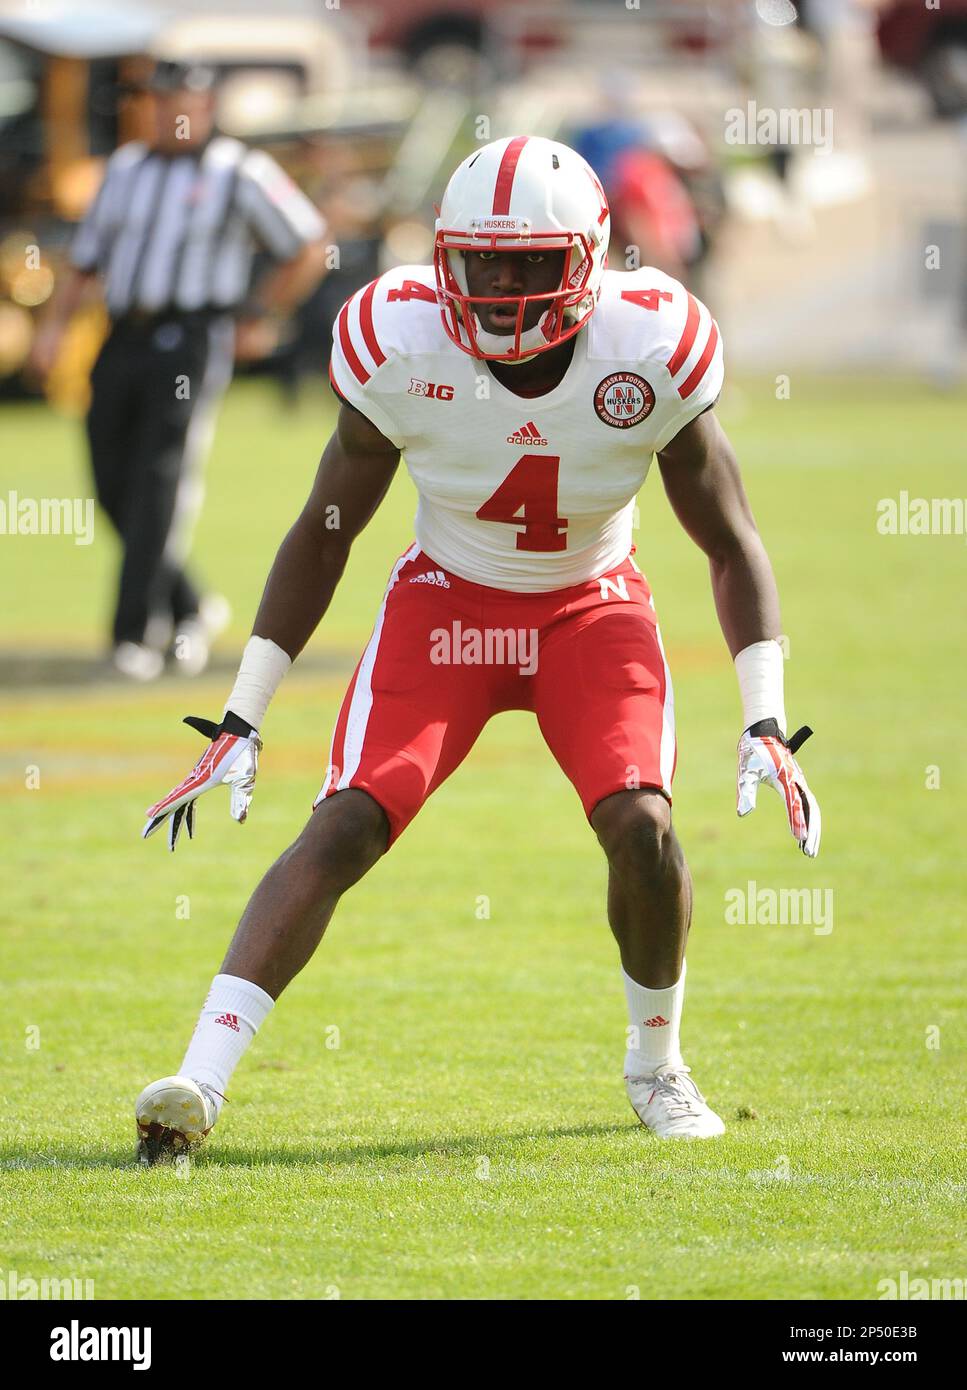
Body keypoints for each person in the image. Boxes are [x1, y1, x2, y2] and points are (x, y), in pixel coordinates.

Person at [133, 136, 821, 1161]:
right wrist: (245, 708)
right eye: (479, 262)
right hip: (444, 605)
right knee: (344, 824)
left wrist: (764, 711)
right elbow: (327, 525)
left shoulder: (650, 343)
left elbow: (728, 537)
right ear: (444, 256)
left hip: (590, 608)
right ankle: (197, 1082)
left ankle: (655, 1060)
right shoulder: (398, 337)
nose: (499, 290)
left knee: (643, 825)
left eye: (528, 264)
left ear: (587, 259)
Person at [29, 61, 329, 680]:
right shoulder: (127, 169)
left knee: (161, 475)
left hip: (191, 335)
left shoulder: (239, 170)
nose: (170, 113)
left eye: (181, 100)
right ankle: (190, 603)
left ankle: (136, 630)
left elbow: (305, 243)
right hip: (123, 332)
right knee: (109, 477)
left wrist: (258, 314)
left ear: (206, 104)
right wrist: (54, 330)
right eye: (160, 101)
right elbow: (86, 259)